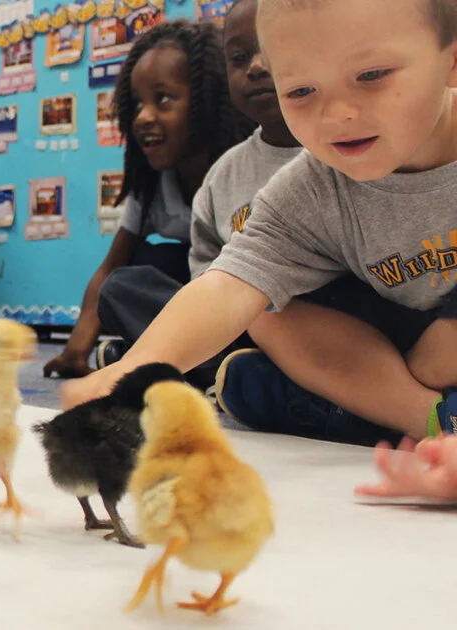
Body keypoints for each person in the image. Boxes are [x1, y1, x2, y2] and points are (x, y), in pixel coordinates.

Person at [62, 0, 457, 444]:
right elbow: (229, 284)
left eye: (371, 76)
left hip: (432, 341)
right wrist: (130, 371)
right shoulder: (309, 185)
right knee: (269, 314)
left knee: (440, 355)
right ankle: (434, 421)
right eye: (301, 91)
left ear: (452, 60)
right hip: (403, 349)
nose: (337, 114)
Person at [94, 0, 302, 387]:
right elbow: (205, 285)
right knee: (129, 281)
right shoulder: (222, 178)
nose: (257, 66)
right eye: (239, 57)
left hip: (308, 322)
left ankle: (167, 365)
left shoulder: (328, 157)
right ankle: (216, 367)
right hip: (235, 320)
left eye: (163, 99)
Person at [42, 20, 250, 379]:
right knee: (125, 280)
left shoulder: (242, 170)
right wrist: (76, 350)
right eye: (137, 104)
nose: (143, 117)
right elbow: (111, 268)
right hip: (197, 313)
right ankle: (200, 365)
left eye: (163, 99)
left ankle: (186, 362)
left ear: (204, 100)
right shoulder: (152, 183)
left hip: (250, 310)